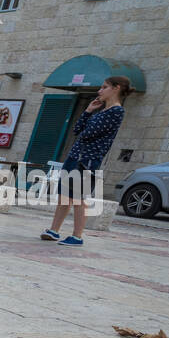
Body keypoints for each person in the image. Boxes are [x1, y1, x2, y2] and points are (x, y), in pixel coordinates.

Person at [41, 76, 131, 247]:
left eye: (104, 87)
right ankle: (54, 230)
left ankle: (77, 236)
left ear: (116, 88)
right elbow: (77, 130)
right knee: (64, 196)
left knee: (78, 198)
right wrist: (88, 111)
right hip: (75, 156)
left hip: (88, 160)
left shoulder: (116, 111)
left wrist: (86, 127)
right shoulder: (101, 111)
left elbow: (88, 133)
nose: (100, 91)